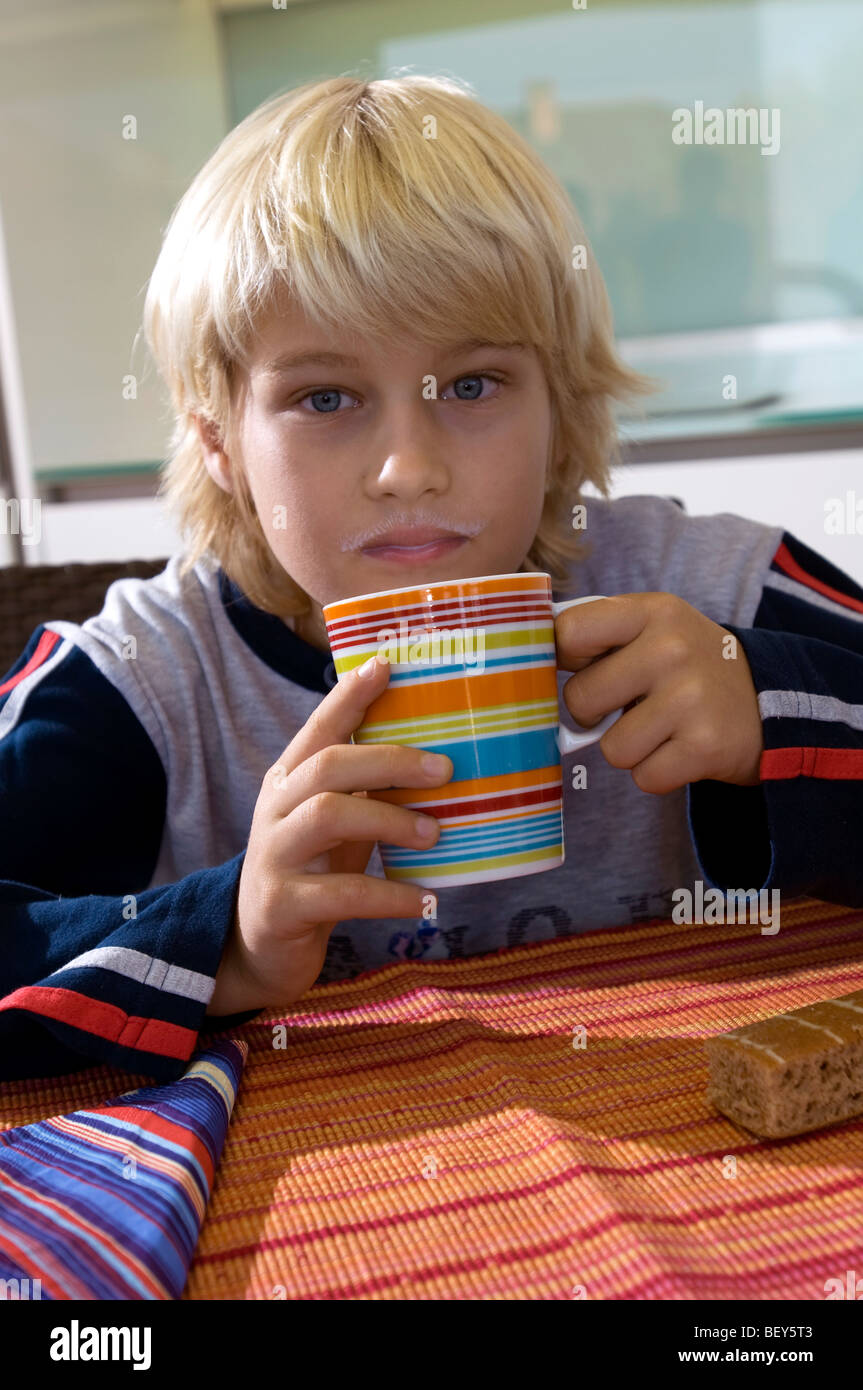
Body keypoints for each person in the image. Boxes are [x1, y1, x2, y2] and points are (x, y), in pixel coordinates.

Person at [1, 76, 861, 1084]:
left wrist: (783, 710)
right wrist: (223, 939)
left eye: (470, 384)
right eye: (325, 396)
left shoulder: (708, 592)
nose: (406, 468)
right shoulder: (146, 681)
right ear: (220, 443)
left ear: (559, 410)